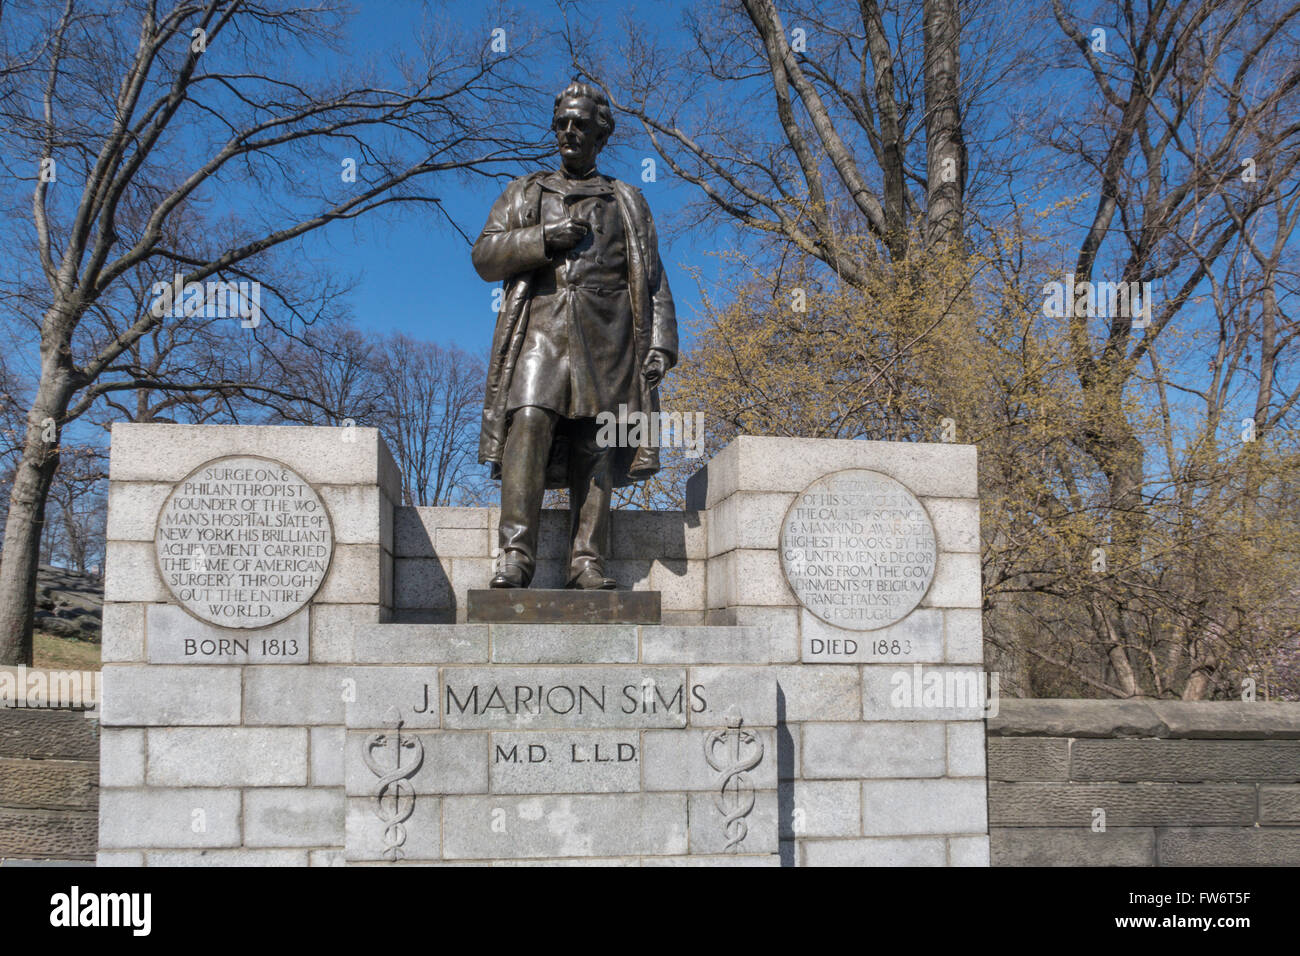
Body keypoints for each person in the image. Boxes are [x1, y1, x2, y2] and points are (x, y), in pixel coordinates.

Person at [472, 80, 677, 589]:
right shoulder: (524, 192)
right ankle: (516, 555)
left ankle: (587, 561)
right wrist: (543, 238)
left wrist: (661, 344)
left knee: (599, 443)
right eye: (562, 122)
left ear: (600, 134)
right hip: (540, 334)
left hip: (610, 339)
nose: (568, 131)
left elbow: (652, 278)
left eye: (580, 124)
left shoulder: (627, 200)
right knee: (530, 424)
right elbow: (484, 257)